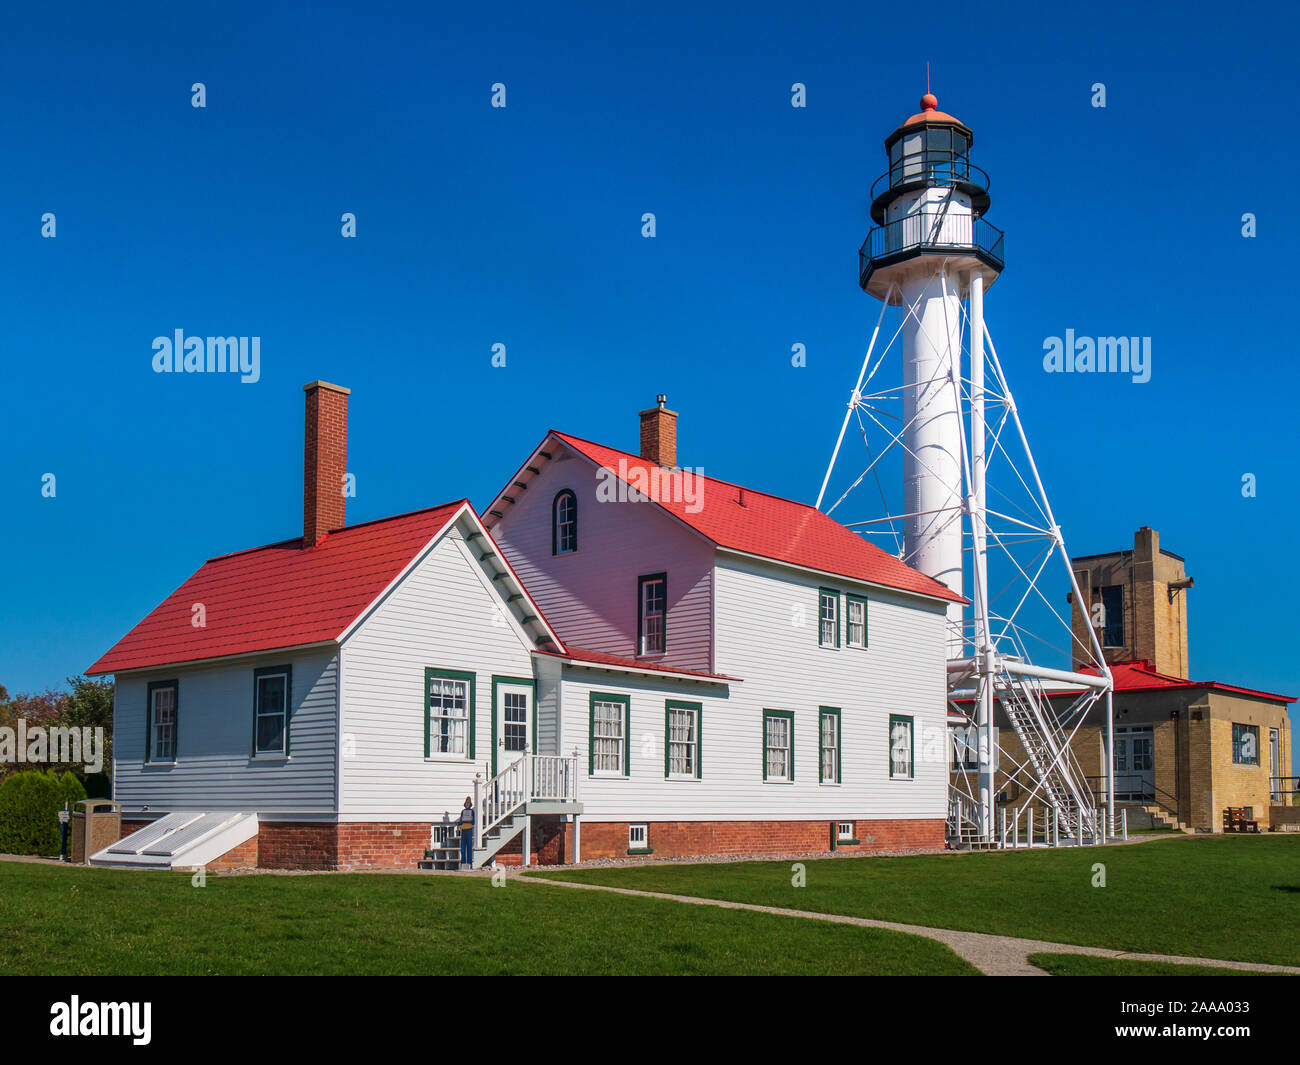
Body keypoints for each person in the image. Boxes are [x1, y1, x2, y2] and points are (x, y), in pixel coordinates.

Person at [458, 797, 474, 869]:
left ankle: (470, 863)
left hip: (469, 829)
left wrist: (472, 823)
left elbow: (473, 820)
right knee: (463, 847)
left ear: (470, 804)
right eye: (466, 803)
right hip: (463, 829)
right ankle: (463, 862)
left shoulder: (472, 811)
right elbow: (461, 820)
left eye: (468, 803)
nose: (467, 804)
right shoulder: (463, 811)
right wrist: (459, 825)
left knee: (469, 846)